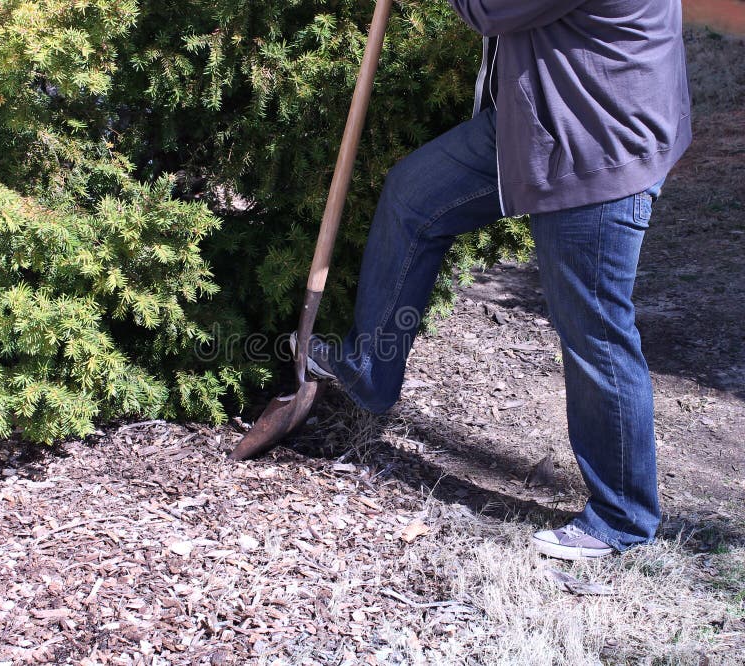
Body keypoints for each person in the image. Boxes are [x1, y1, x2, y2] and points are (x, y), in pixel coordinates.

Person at [292, 0, 691, 560]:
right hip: (537, 120)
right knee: (415, 196)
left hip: (596, 146)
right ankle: (369, 370)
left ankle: (622, 516)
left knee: (594, 331)